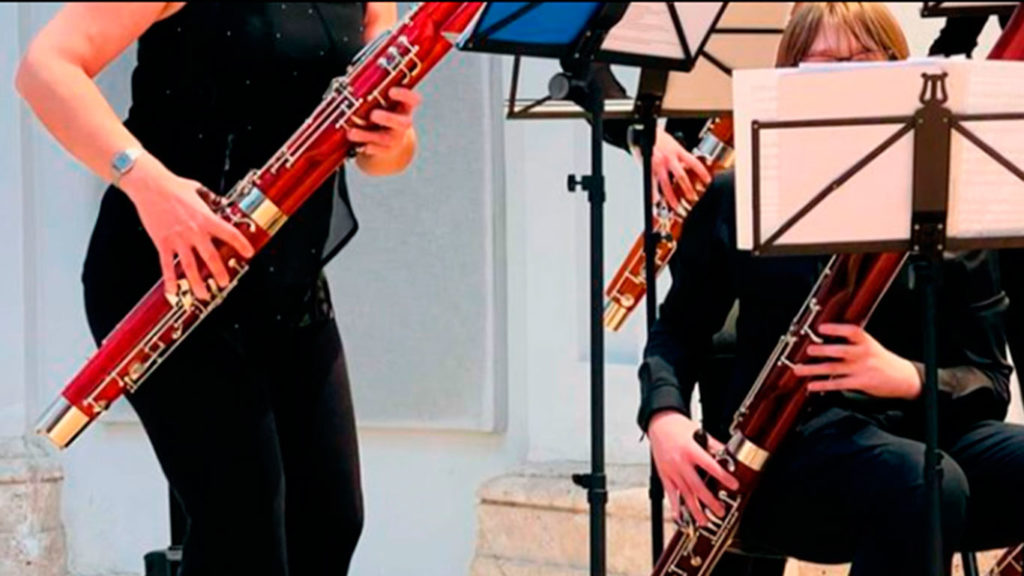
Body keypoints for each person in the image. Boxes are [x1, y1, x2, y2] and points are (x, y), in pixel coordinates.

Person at [16, 3, 419, 575]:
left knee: (329, 521)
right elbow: (45, 68)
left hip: (287, 285)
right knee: (242, 527)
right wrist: (150, 185)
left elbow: (389, 158)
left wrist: (390, 141)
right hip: (168, 277)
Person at [639, 3, 1024, 575]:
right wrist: (664, 419)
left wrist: (904, 376)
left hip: (925, 430)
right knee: (924, 483)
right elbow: (677, 332)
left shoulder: (951, 205)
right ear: (788, 81)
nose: (845, 78)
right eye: (822, 64)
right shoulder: (737, 197)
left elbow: (987, 381)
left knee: (929, 477)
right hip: (785, 454)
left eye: (864, 60)